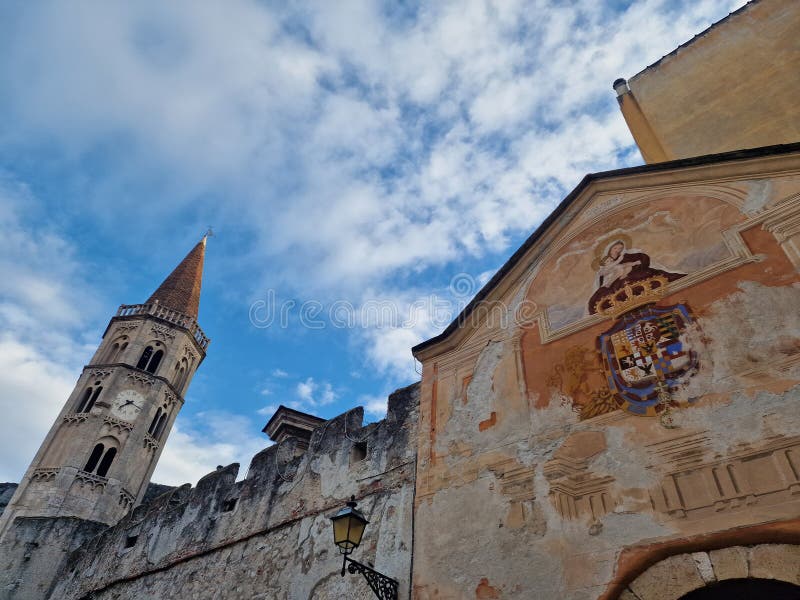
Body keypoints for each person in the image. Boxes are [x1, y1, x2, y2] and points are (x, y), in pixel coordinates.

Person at [588, 239, 685, 314]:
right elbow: (603, 275)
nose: (617, 250)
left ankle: (625, 275)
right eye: (615, 248)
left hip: (625, 273)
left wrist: (634, 264)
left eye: (620, 248)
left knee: (629, 268)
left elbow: (642, 258)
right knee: (620, 270)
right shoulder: (606, 261)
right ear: (610, 249)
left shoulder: (626, 256)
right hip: (613, 278)